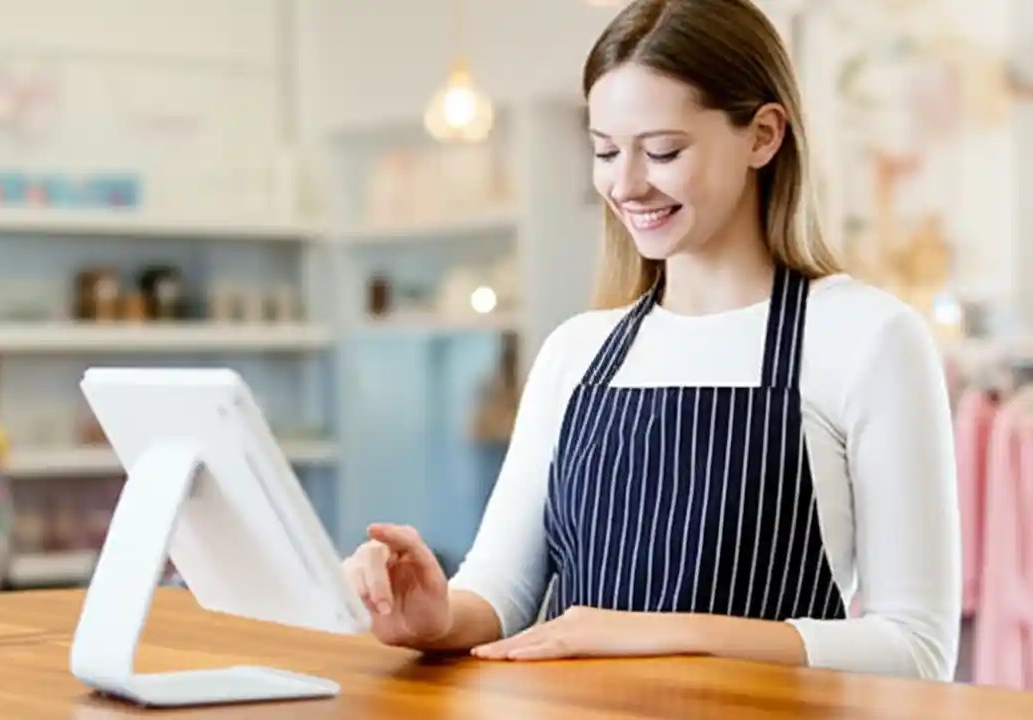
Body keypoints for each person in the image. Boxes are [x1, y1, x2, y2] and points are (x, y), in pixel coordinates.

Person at [343, 0, 960, 682]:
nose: (626, 184)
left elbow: (916, 650)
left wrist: (645, 633)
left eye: (662, 151)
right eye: (605, 151)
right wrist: (434, 615)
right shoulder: (576, 352)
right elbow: (501, 589)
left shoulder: (868, 339)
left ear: (763, 135)